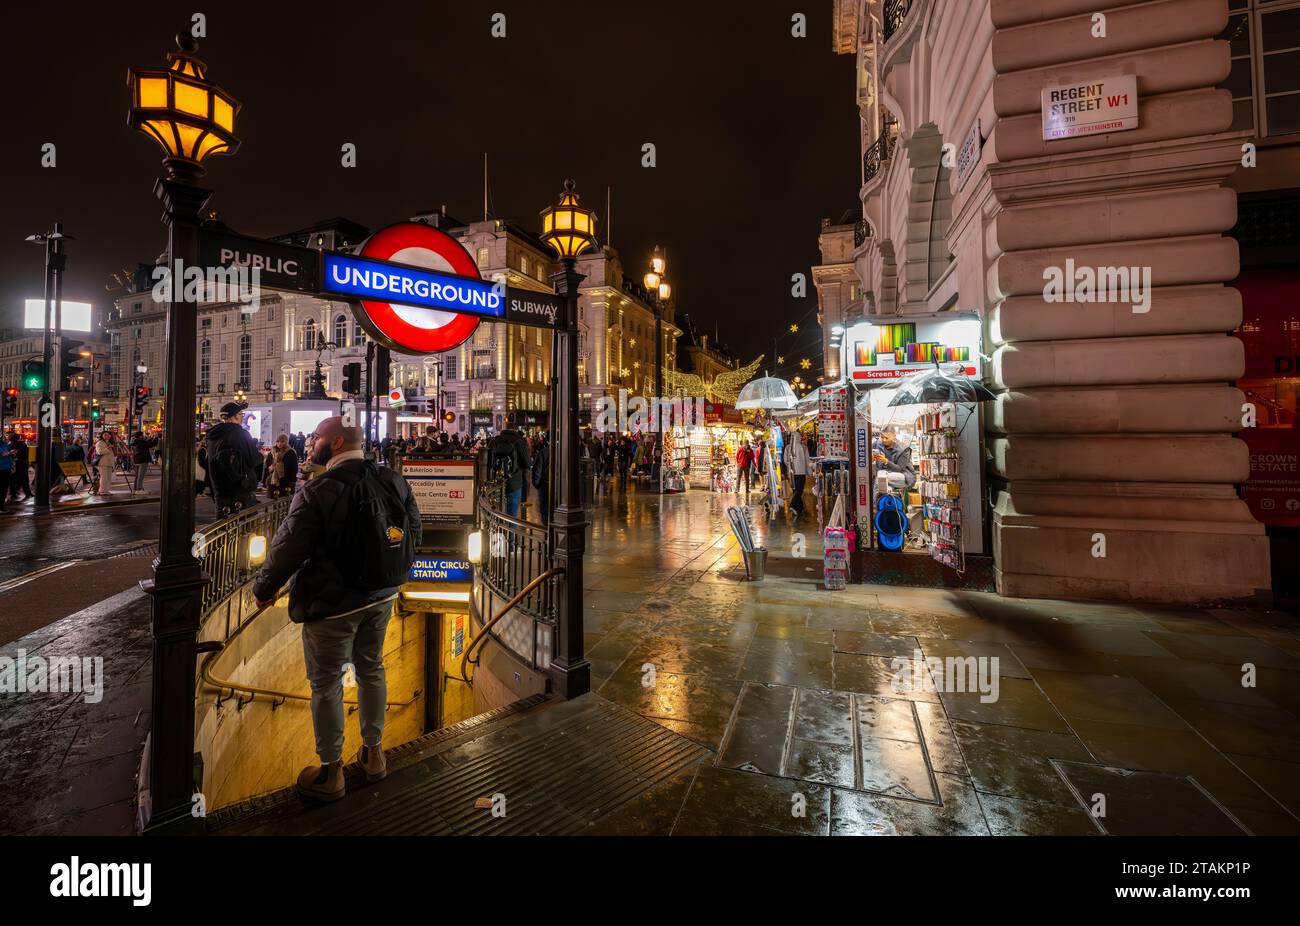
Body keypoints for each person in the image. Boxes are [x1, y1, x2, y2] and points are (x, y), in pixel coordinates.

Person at [252, 416, 421, 802]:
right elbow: (413, 527)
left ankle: (331, 772)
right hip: (381, 595)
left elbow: (288, 548)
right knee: (372, 669)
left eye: (317, 438)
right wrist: (394, 573)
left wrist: (265, 587)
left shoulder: (319, 490)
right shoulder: (391, 478)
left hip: (332, 605)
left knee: (326, 684)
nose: (311, 444)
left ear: (337, 441)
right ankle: (374, 754)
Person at [206, 402, 263, 515]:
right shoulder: (240, 434)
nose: (243, 416)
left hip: (220, 490)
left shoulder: (212, 436)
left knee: (225, 528)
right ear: (234, 416)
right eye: (241, 413)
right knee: (246, 529)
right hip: (241, 491)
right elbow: (254, 460)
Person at [486, 414, 531, 517]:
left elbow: (488, 462)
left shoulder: (494, 441)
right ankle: (510, 532)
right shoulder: (519, 442)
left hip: (495, 483)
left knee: (494, 513)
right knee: (511, 516)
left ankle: (496, 532)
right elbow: (528, 463)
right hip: (514, 483)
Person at [783, 429, 811, 520]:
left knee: (796, 490)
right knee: (799, 490)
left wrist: (790, 468)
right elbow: (807, 461)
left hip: (792, 473)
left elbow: (785, 461)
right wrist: (809, 472)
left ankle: (800, 508)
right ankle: (793, 505)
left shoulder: (788, 448)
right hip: (801, 472)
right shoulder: (803, 447)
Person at [530, 431, 550, 524]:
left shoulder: (543, 452)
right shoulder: (563, 452)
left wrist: (537, 485)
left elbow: (537, 471)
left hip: (545, 486)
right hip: (560, 488)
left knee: (545, 513)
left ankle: (547, 535)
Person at [7, 431, 32, 501]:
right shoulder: (23, 445)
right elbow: (27, 454)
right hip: (23, 463)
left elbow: (9, 455)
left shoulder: (9, 446)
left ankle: (13, 493)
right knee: (24, 479)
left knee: (12, 479)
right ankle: (28, 493)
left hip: (13, 464)